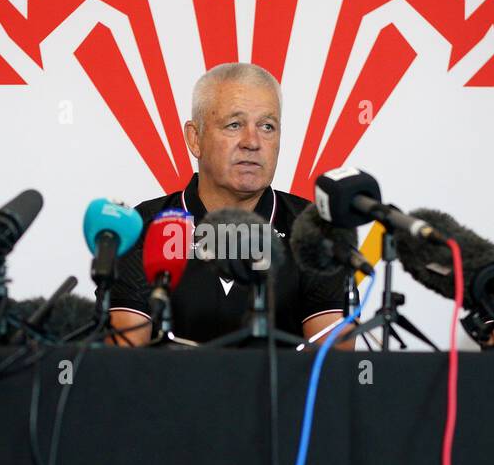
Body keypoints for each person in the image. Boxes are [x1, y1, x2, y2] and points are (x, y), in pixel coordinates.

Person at [108, 62, 348, 346]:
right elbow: (123, 363)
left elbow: (332, 364)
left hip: (284, 391)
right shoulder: (147, 227)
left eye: (267, 126)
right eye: (234, 125)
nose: (252, 142)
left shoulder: (313, 231)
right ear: (195, 138)